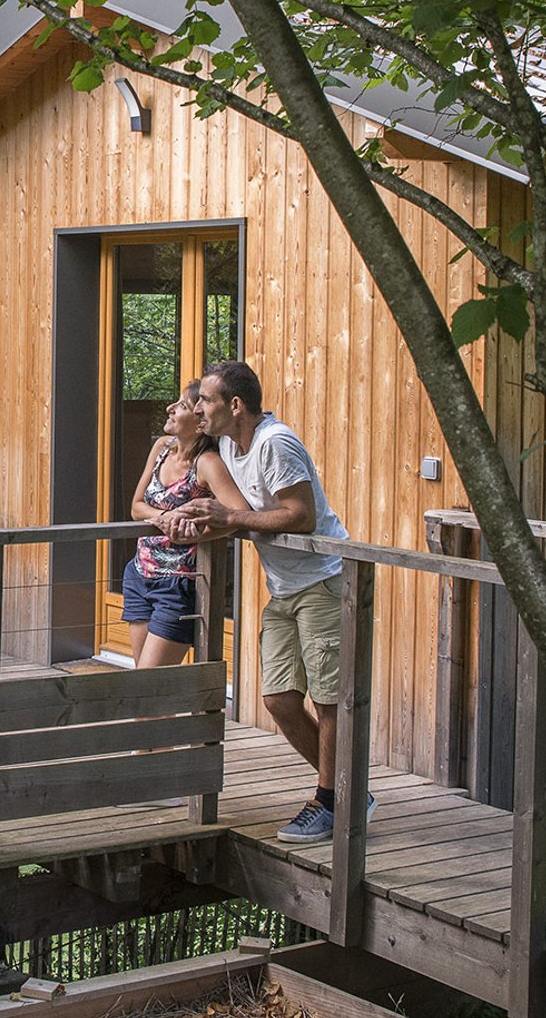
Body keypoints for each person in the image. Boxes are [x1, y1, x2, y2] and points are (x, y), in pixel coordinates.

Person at [175, 359, 365, 845]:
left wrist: (228, 517)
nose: (199, 408)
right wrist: (203, 517)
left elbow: (300, 516)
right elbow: (242, 514)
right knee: (278, 700)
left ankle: (329, 800)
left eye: (207, 401)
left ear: (234, 405)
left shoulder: (274, 443)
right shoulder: (231, 448)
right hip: (283, 587)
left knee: (329, 701)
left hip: (324, 582)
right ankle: (347, 790)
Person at [123, 385, 248, 669]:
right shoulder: (162, 448)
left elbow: (239, 514)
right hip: (139, 572)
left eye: (180, 405)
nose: (170, 408)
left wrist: (202, 531)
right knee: (140, 684)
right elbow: (136, 506)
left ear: (199, 422)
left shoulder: (207, 464)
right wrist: (165, 517)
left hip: (177, 583)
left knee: (149, 682)